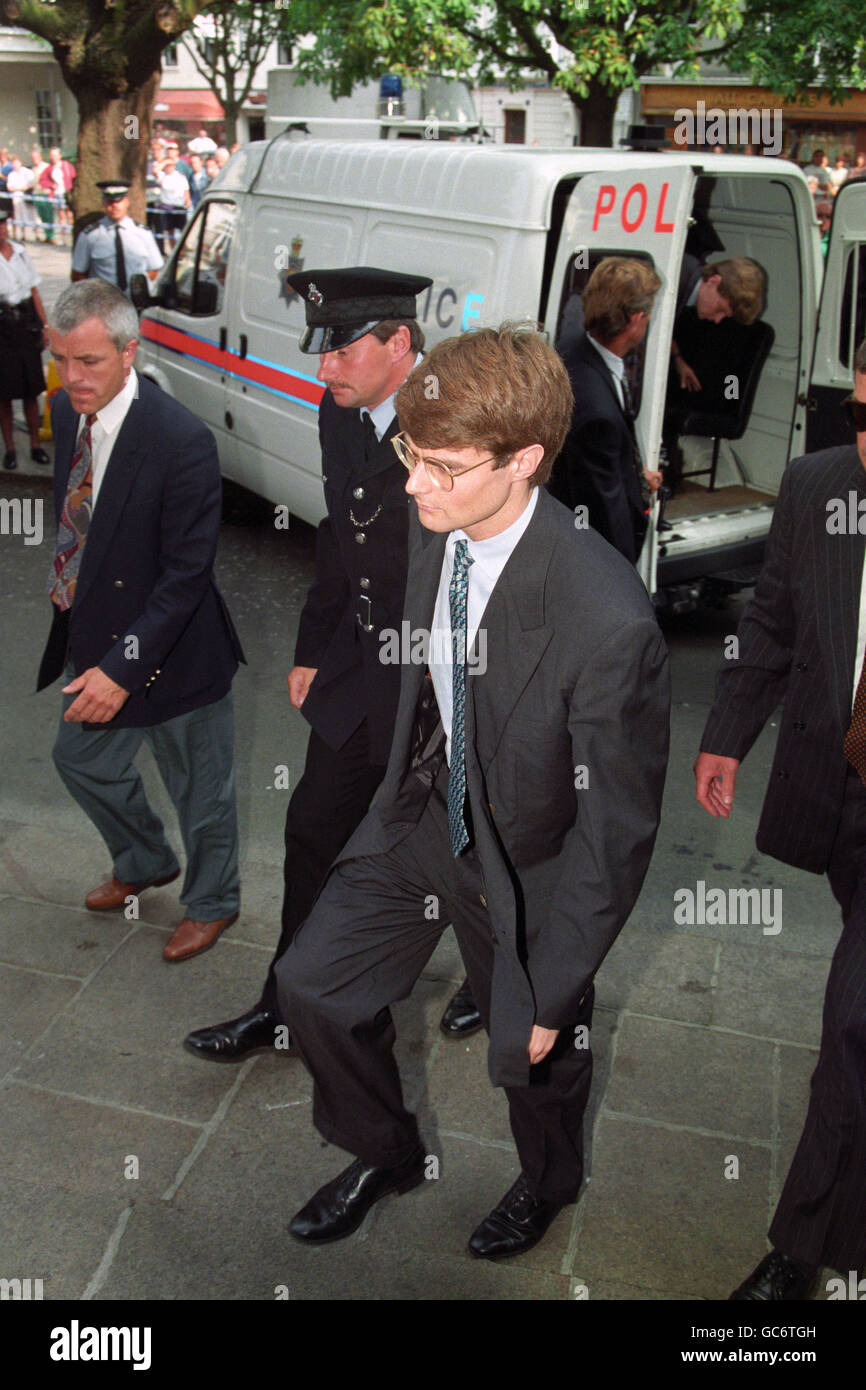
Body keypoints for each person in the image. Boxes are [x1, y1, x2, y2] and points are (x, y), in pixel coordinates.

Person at [277, 324, 669, 1256]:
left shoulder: (607, 620)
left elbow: (616, 833)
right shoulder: (433, 517)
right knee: (311, 988)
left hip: (526, 870)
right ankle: (386, 1150)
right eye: (413, 456)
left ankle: (548, 1183)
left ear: (524, 460)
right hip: (421, 813)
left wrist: (555, 984)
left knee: (532, 1064)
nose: (416, 485)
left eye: (444, 467)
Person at [184, 266, 450, 1062]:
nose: (323, 367)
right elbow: (342, 541)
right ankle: (286, 1007)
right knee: (314, 830)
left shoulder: (451, 424)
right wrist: (312, 648)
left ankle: (525, 993)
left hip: (445, 687)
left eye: (340, 349)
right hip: (363, 669)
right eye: (321, 349)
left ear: (399, 343)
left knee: (474, 859)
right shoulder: (343, 416)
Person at [694, 338, 866, 1300]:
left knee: (855, 1021)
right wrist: (728, 731)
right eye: (864, 417)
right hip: (839, 789)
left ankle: (802, 1251)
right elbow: (775, 617)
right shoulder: (817, 486)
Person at [37, 280, 246, 963]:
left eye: (89, 362)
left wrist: (123, 669)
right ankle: (147, 858)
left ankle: (213, 903)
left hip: (176, 653)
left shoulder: (180, 440)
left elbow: (185, 578)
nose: (73, 377)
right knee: (80, 760)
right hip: (99, 642)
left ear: (130, 352)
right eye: (62, 359)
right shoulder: (68, 412)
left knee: (202, 795)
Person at [548, 256, 662, 565]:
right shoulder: (598, 414)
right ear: (636, 320)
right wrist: (625, 582)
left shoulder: (573, 347)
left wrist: (636, 474)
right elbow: (607, 518)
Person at [663, 257, 767, 491]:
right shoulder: (673, 282)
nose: (718, 319)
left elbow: (663, 329)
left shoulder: (687, 289)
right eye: (721, 308)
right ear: (714, 281)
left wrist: (678, 360)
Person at [0, 195, 50, 470]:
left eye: (4, 224)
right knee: (4, 395)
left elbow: (34, 291)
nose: (2, 230)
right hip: (1, 329)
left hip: (25, 325)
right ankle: (9, 448)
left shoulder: (20, 252)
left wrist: (44, 326)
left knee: (32, 390)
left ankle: (35, 445)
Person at [71, 181, 163, 294]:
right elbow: (78, 274)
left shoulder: (143, 233)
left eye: (119, 201)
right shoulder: (90, 235)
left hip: (138, 301)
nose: (114, 206)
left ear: (127, 202)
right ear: (103, 203)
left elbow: (153, 270)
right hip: (105, 302)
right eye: (109, 202)